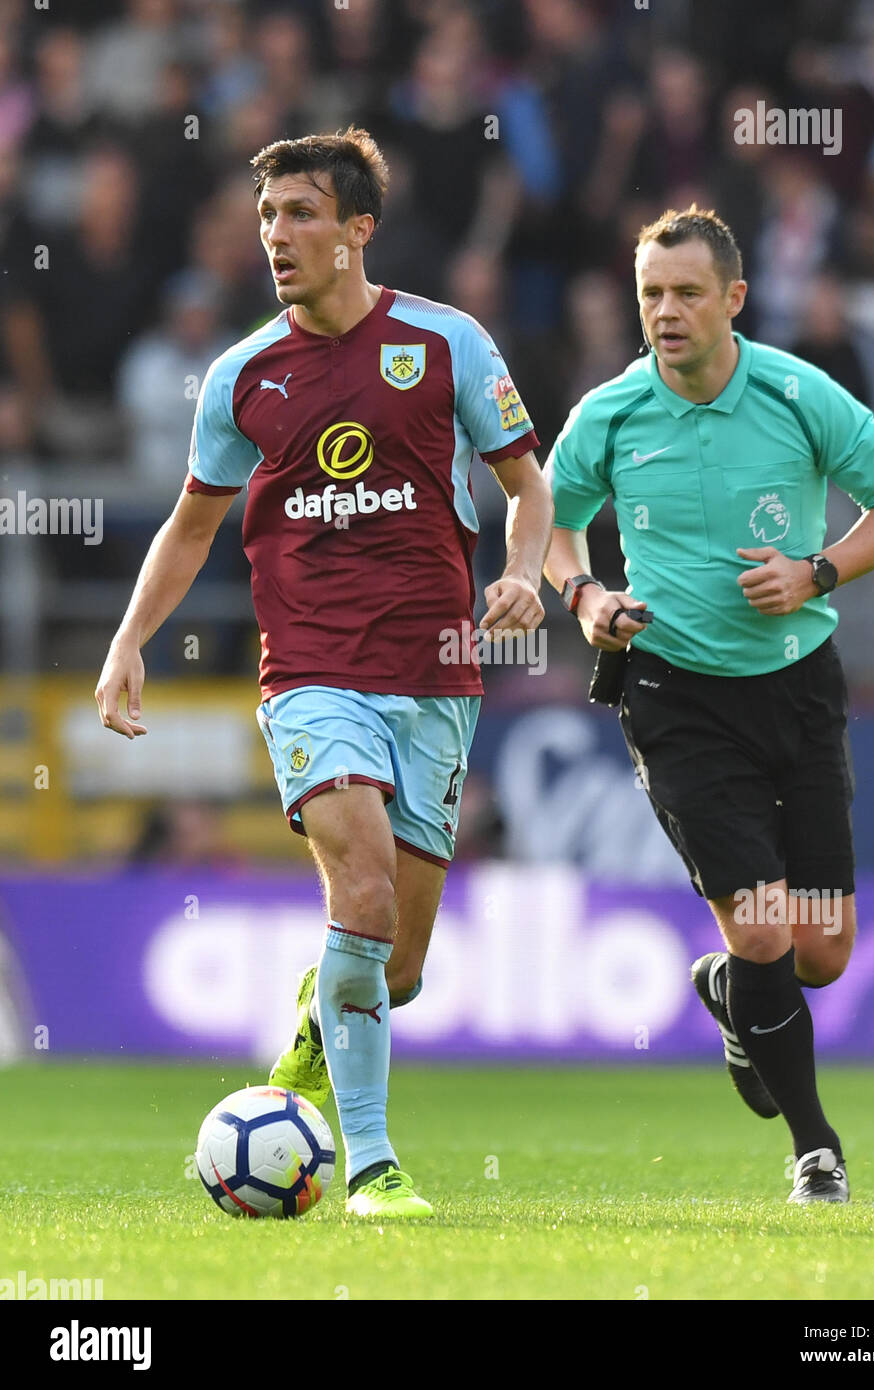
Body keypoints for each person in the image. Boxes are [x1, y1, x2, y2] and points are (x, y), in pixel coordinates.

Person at [95, 128, 551, 1220]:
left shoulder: (445, 344)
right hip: (310, 669)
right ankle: (375, 1167)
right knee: (357, 888)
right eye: (266, 218)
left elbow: (527, 490)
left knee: (394, 964)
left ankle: (320, 1010)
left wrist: (527, 572)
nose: (276, 237)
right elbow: (191, 524)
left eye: (300, 214)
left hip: (436, 673)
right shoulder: (242, 374)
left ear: (358, 228)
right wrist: (126, 640)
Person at [544, 206, 874, 1204]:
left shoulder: (800, 395)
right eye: (650, 296)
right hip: (675, 696)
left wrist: (817, 570)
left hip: (799, 689)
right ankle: (815, 1149)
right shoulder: (611, 413)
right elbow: (549, 521)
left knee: (822, 951)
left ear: (735, 300)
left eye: (684, 293)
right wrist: (586, 596)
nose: (664, 313)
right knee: (762, 928)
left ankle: (729, 992)